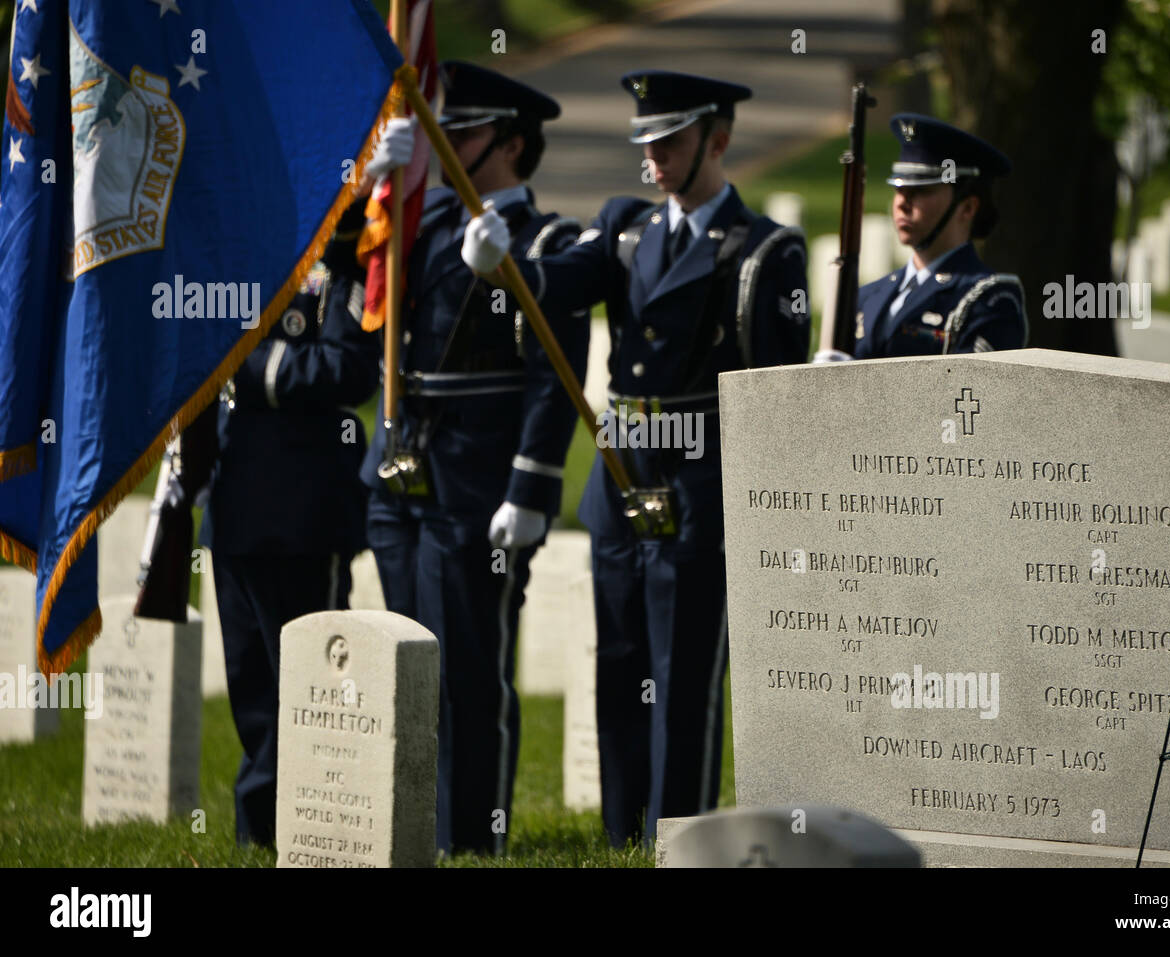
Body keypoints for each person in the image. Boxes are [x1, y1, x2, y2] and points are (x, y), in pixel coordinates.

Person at [461, 70, 810, 848]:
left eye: (670, 141)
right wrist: (504, 265)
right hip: (621, 474)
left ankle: (676, 838)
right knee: (620, 662)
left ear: (717, 140)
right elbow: (562, 284)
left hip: (696, 481)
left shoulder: (762, 250)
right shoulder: (625, 227)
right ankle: (623, 837)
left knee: (681, 676)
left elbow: (778, 395)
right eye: (647, 143)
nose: (653, 157)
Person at [359, 62, 588, 856]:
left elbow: (554, 374)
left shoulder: (547, 243)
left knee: (465, 668)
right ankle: (414, 830)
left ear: (511, 144)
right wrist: (370, 195)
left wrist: (531, 485)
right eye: (442, 129)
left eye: (462, 132)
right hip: (400, 471)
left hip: (475, 482)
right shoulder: (419, 223)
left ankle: (469, 838)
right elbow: (357, 289)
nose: (444, 142)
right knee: (407, 668)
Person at [202, 197, 380, 847]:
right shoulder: (240, 261)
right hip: (233, 501)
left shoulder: (344, 266)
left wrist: (244, 364)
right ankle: (261, 829)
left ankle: (306, 824)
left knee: (308, 681)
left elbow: (350, 369)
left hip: (306, 508)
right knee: (250, 676)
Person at [817, 113, 1026, 360]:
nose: (902, 203)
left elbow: (972, 383)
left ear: (967, 208)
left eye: (920, 190)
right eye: (899, 189)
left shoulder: (989, 299)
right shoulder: (868, 295)